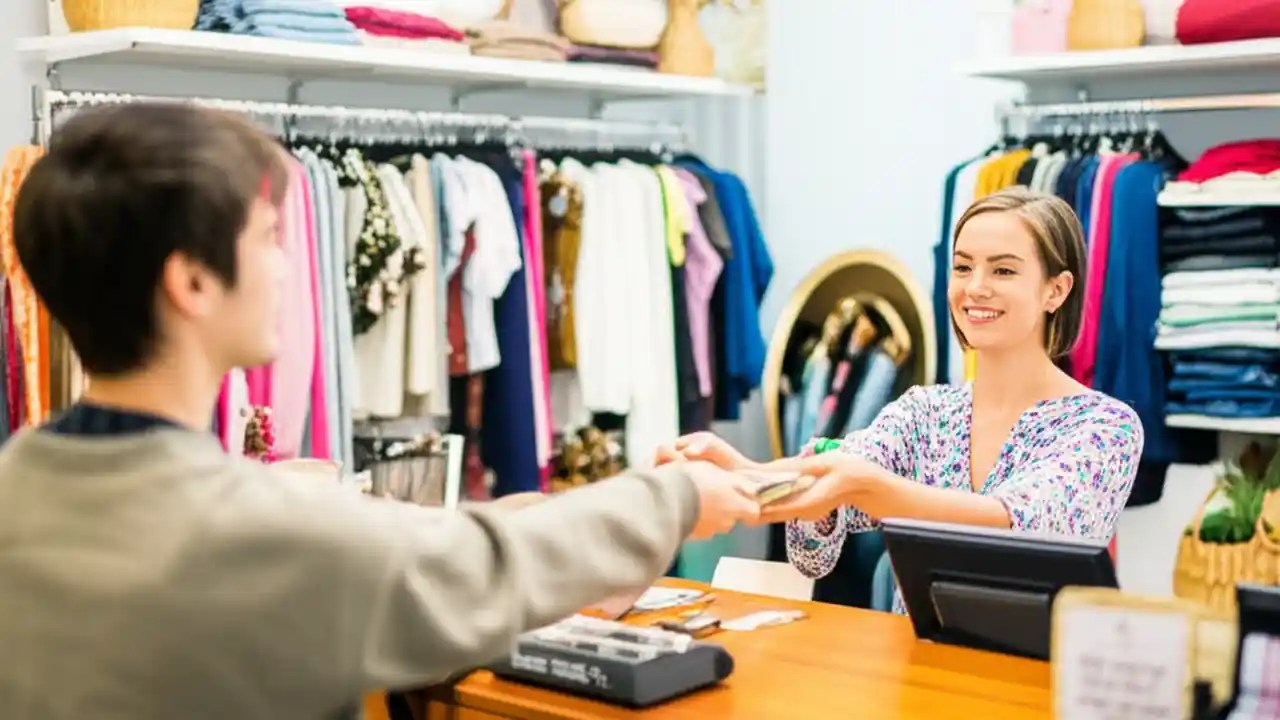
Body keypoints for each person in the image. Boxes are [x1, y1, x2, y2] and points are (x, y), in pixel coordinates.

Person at [0, 103, 762, 719]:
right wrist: (678, 496)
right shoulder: (255, 534)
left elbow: (416, 547)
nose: (287, 261)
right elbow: (480, 570)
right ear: (192, 283)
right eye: (268, 238)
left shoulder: (22, 491)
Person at [658, 188, 1143, 611]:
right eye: (963, 267)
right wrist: (743, 473)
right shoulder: (926, 413)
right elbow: (833, 478)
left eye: (1003, 270)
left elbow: (1021, 525)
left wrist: (868, 487)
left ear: (1056, 290)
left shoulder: (1105, 427)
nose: (975, 287)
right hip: (918, 678)